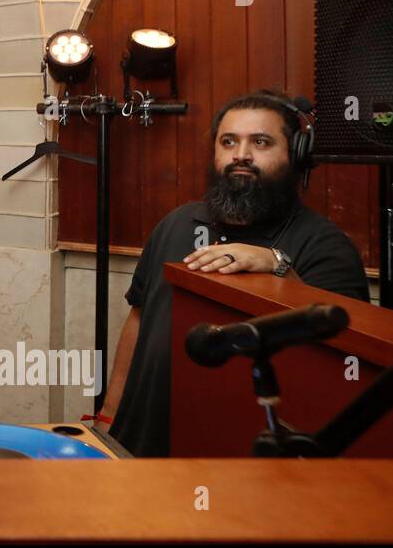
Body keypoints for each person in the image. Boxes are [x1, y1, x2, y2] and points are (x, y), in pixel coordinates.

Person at [101, 90, 369, 457]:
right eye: (229, 142)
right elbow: (139, 319)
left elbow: (342, 362)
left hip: (239, 467)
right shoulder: (175, 224)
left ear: (296, 155)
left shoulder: (326, 247)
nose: (241, 154)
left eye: (260, 141)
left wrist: (280, 268)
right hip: (139, 445)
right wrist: (108, 416)